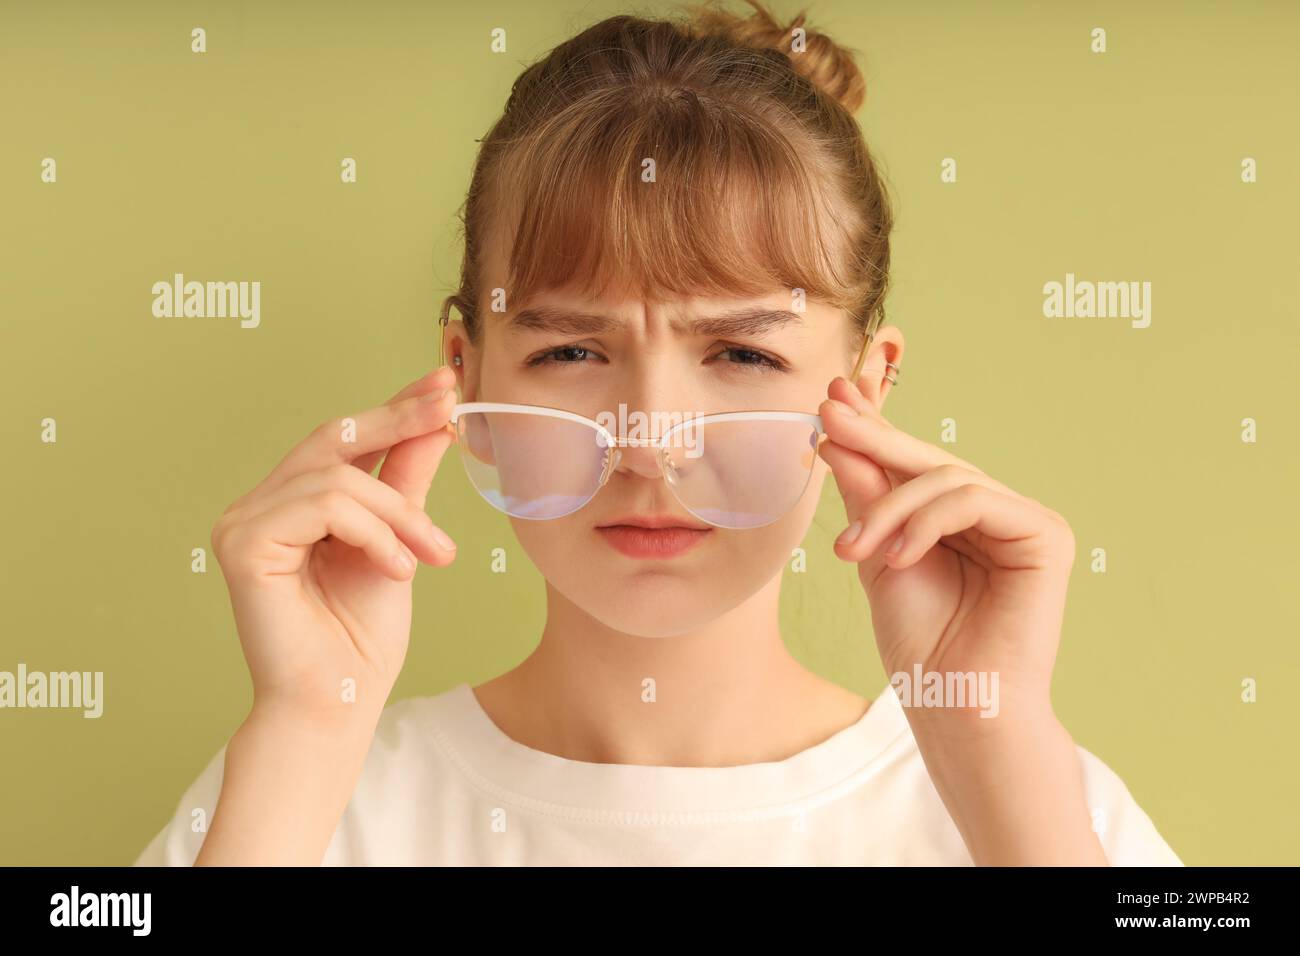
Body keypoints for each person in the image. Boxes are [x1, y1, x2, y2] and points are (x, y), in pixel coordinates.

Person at [135, 0, 1181, 866]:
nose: (648, 442)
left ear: (867, 387)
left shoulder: (1044, 806)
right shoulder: (297, 800)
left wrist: (993, 748)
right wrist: (309, 727)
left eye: (741, 355)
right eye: (572, 354)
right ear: (465, 381)